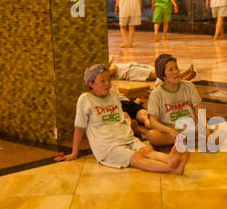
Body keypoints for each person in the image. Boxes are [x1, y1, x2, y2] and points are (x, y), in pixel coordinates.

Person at [57, 63, 192, 174]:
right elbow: (79, 127)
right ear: (91, 84)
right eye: (102, 81)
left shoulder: (113, 94)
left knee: (147, 151)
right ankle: (170, 168)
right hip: (108, 145)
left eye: (108, 79)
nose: (107, 83)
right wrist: (74, 153)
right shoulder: (85, 99)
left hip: (126, 137)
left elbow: (121, 118)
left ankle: (172, 160)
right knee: (137, 158)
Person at [146, 52, 202, 133]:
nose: (176, 72)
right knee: (153, 135)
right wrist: (170, 131)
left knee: (216, 133)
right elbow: (152, 121)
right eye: (171, 70)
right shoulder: (156, 94)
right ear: (163, 75)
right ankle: (190, 140)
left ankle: (187, 140)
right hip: (172, 132)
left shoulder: (189, 86)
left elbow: (199, 110)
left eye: (176, 68)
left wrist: (205, 128)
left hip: (193, 129)